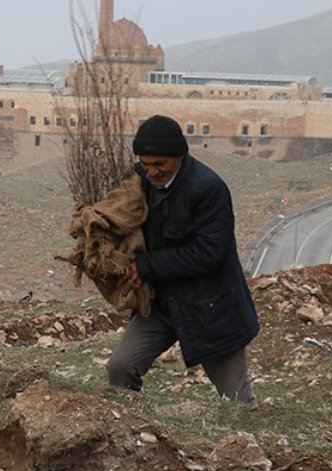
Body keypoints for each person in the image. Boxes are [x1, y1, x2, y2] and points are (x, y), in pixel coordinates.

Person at [107, 115, 260, 405]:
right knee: (120, 368)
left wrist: (146, 267)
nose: (151, 171)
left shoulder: (208, 189)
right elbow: (119, 215)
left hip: (210, 308)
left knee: (237, 402)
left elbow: (207, 254)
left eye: (159, 164)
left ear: (179, 156)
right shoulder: (142, 181)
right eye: (145, 163)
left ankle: (245, 447)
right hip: (164, 305)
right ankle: (132, 431)